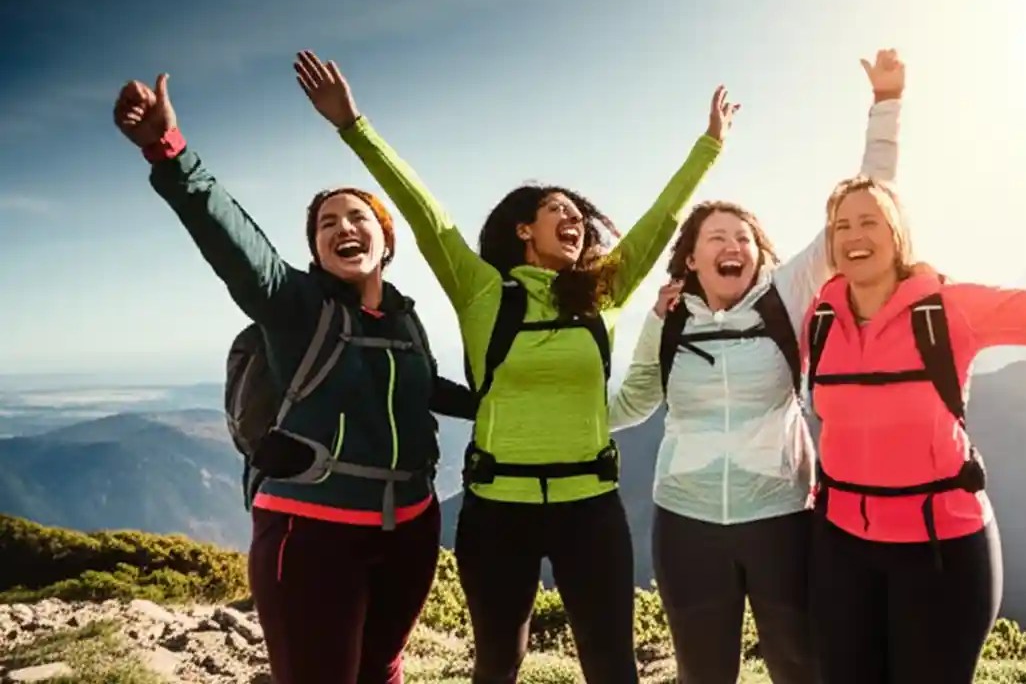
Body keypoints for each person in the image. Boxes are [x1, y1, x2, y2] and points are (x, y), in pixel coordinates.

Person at [293, 49, 735, 684]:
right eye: (559, 210)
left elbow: (660, 223)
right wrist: (352, 125)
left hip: (592, 507)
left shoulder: (601, 293)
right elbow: (422, 212)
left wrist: (709, 147)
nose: (575, 220)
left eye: (579, 215)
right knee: (500, 662)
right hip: (499, 510)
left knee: (613, 665)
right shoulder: (481, 291)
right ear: (525, 229)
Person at [112, 73, 475, 684]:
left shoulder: (405, 320)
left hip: (412, 528)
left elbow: (426, 390)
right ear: (314, 249)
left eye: (357, 217)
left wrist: (508, 405)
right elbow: (232, 241)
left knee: (383, 669)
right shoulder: (295, 307)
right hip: (310, 533)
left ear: (386, 242)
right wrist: (169, 151)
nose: (342, 228)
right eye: (326, 224)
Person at [801, 158, 1026, 681]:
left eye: (869, 221)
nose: (854, 235)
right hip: (840, 548)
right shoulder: (821, 318)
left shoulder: (950, 309)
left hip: (939, 552)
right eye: (841, 226)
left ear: (898, 234)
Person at [608, 49, 906, 683]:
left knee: (800, 666)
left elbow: (868, 202)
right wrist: (553, 418)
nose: (732, 246)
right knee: (702, 671)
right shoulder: (669, 319)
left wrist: (886, 105)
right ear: (689, 259)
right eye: (715, 238)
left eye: (743, 237)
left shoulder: (787, 293)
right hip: (686, 523)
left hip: (783, 517)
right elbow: (635, 399)